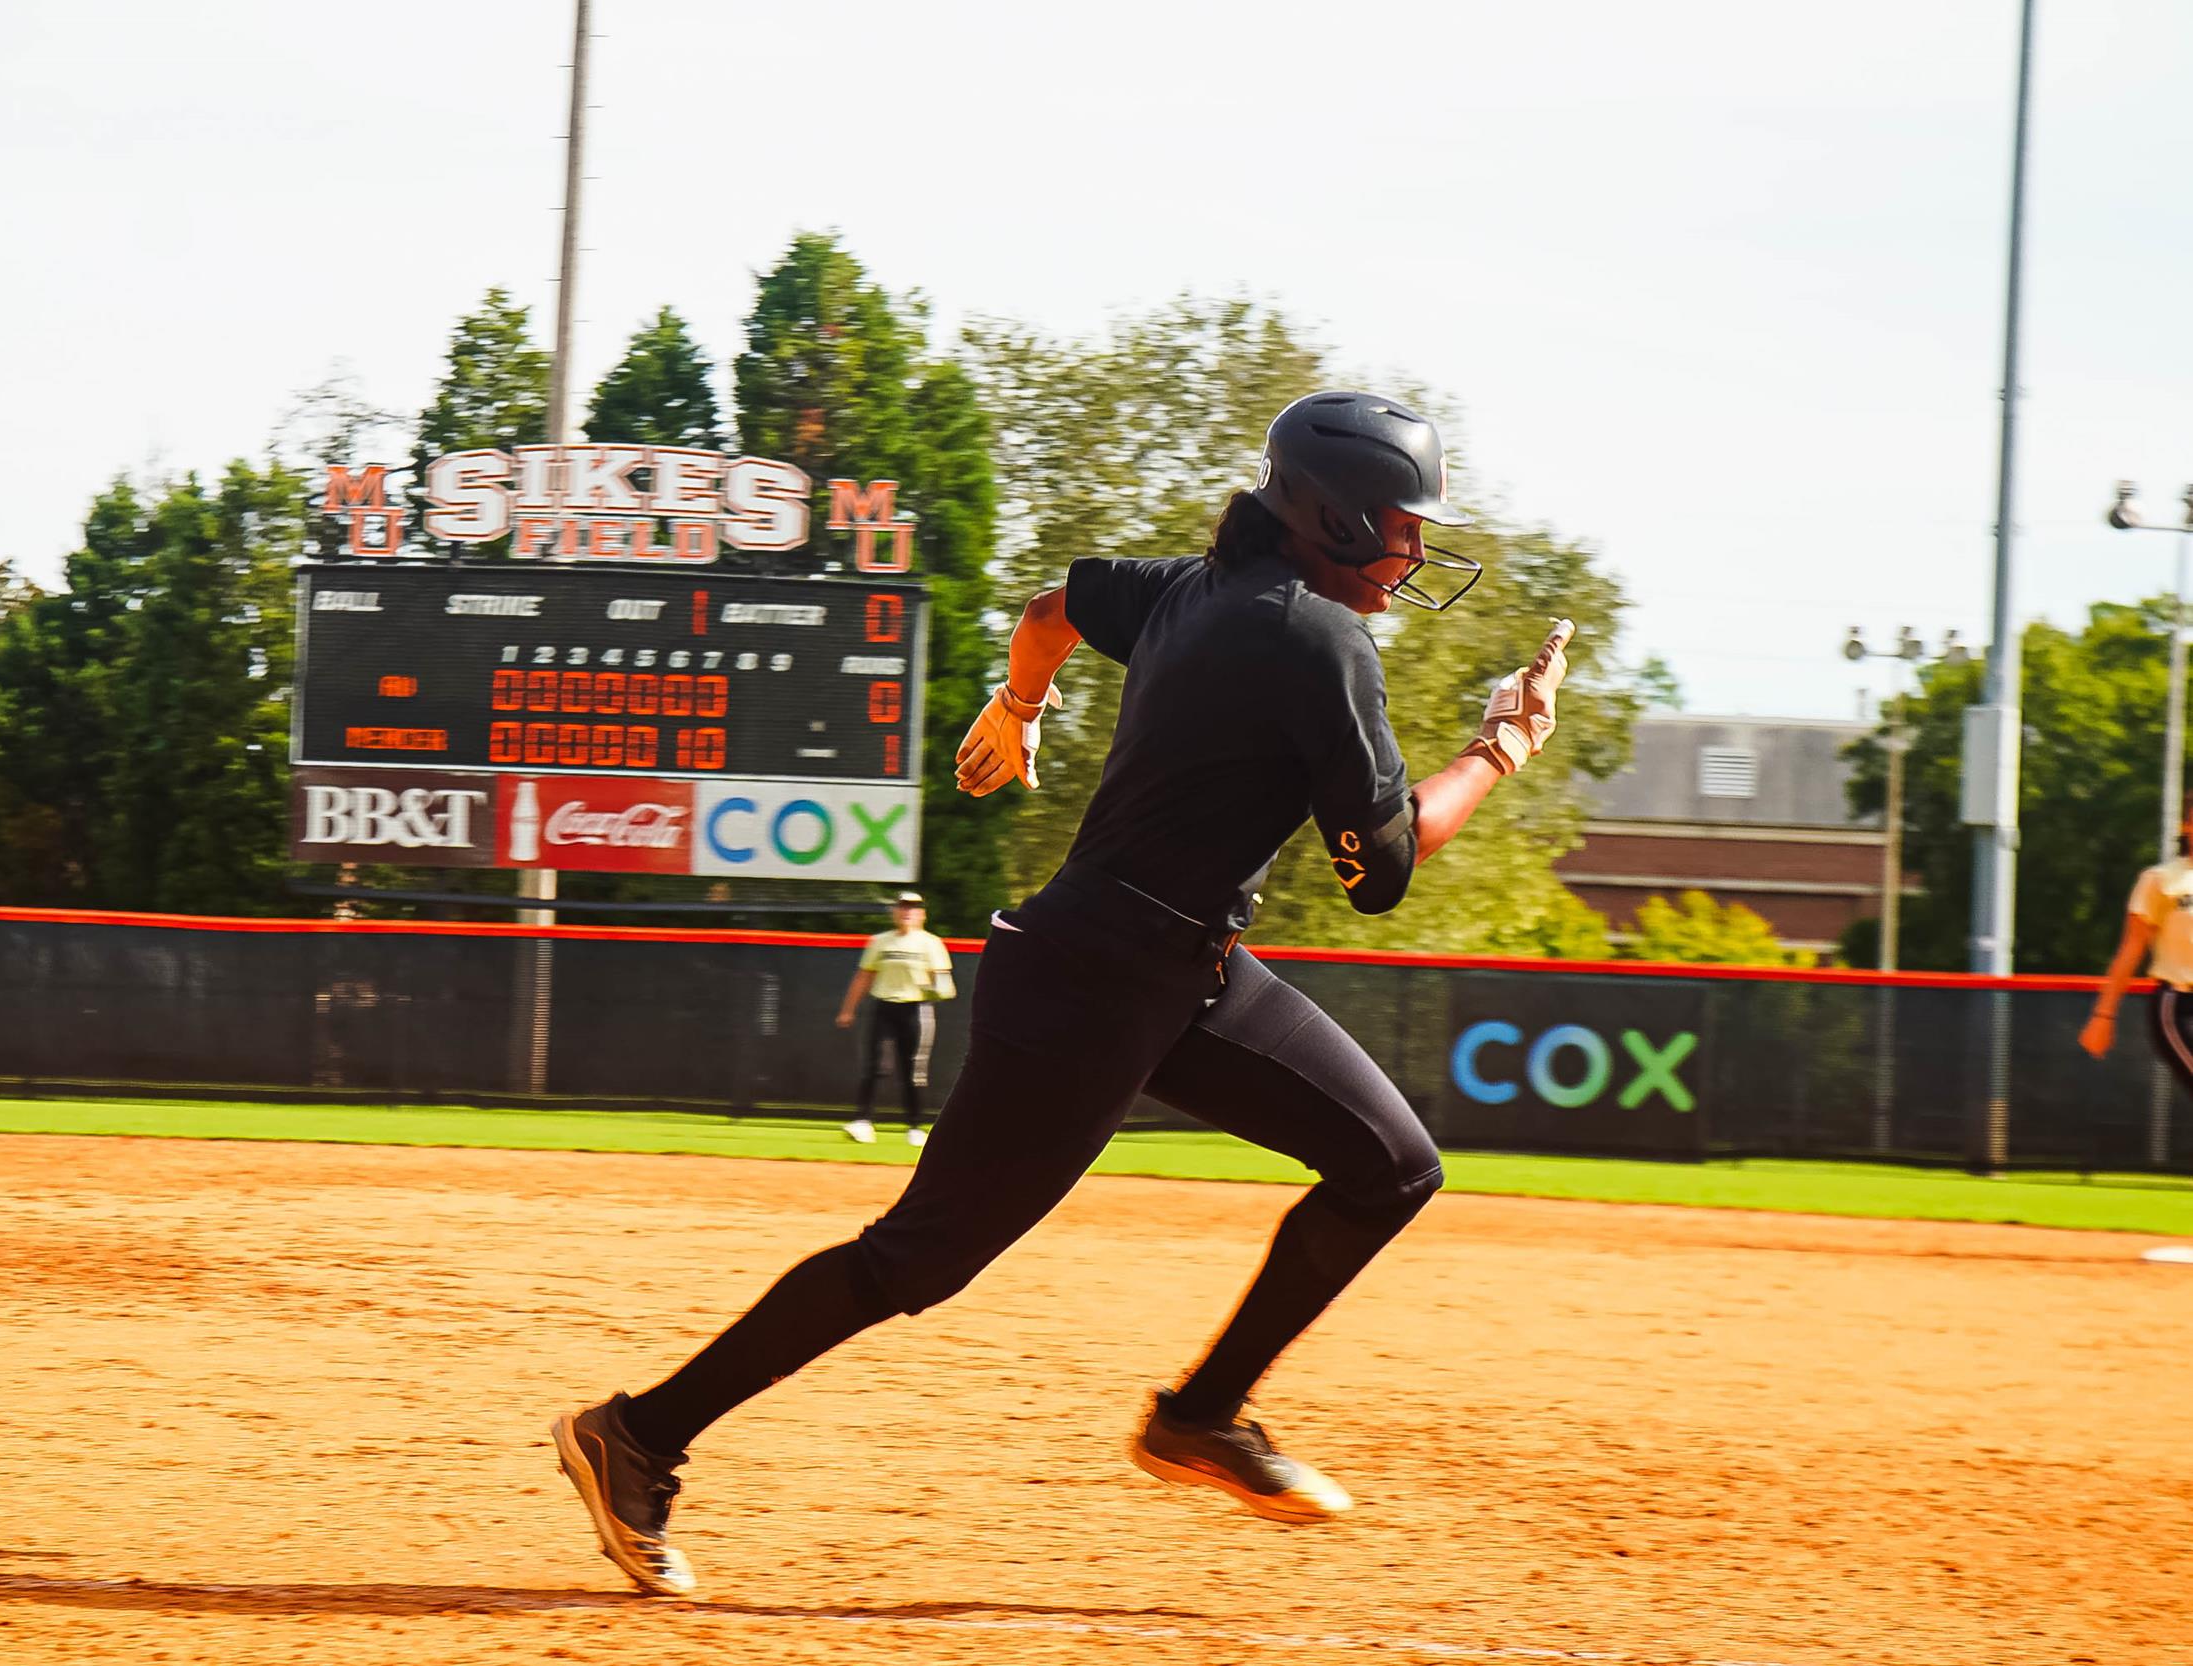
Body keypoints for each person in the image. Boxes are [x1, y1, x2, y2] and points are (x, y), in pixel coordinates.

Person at [552, 392, 1575, 1597]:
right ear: (1336, 521)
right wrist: (1498, 747)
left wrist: (1019, 704)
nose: (1414, 549)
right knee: (917, 1259)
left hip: (1182, 972)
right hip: (1093, 982)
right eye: (1403, 525)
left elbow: (1052, 610)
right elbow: (1381, 870)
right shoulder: (1317, 639)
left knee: (1391, 1166)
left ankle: (1201, 1415)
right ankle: (638, 1435)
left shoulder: (1196, 590)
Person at [2078, 796, 2193, 1077]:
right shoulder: (2161, 879)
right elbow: (2131, 948)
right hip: (2180, 1004)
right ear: (2186, 826)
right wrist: (2103, 1016)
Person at [836, 890, 957, 1148]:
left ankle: (915, 1126)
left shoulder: (931, 943)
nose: (907, 911)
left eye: (913, 907)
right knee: (874, 1065)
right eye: (902, 906)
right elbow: (864, 976)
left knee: (914, 1069)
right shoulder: (880, 942)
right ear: (894, 911)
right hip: (884, 1006)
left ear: (922, 914)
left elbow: (944, 982)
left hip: (916, 1009)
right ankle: (862, 1123)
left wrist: (938, 988)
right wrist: (848, 1009)